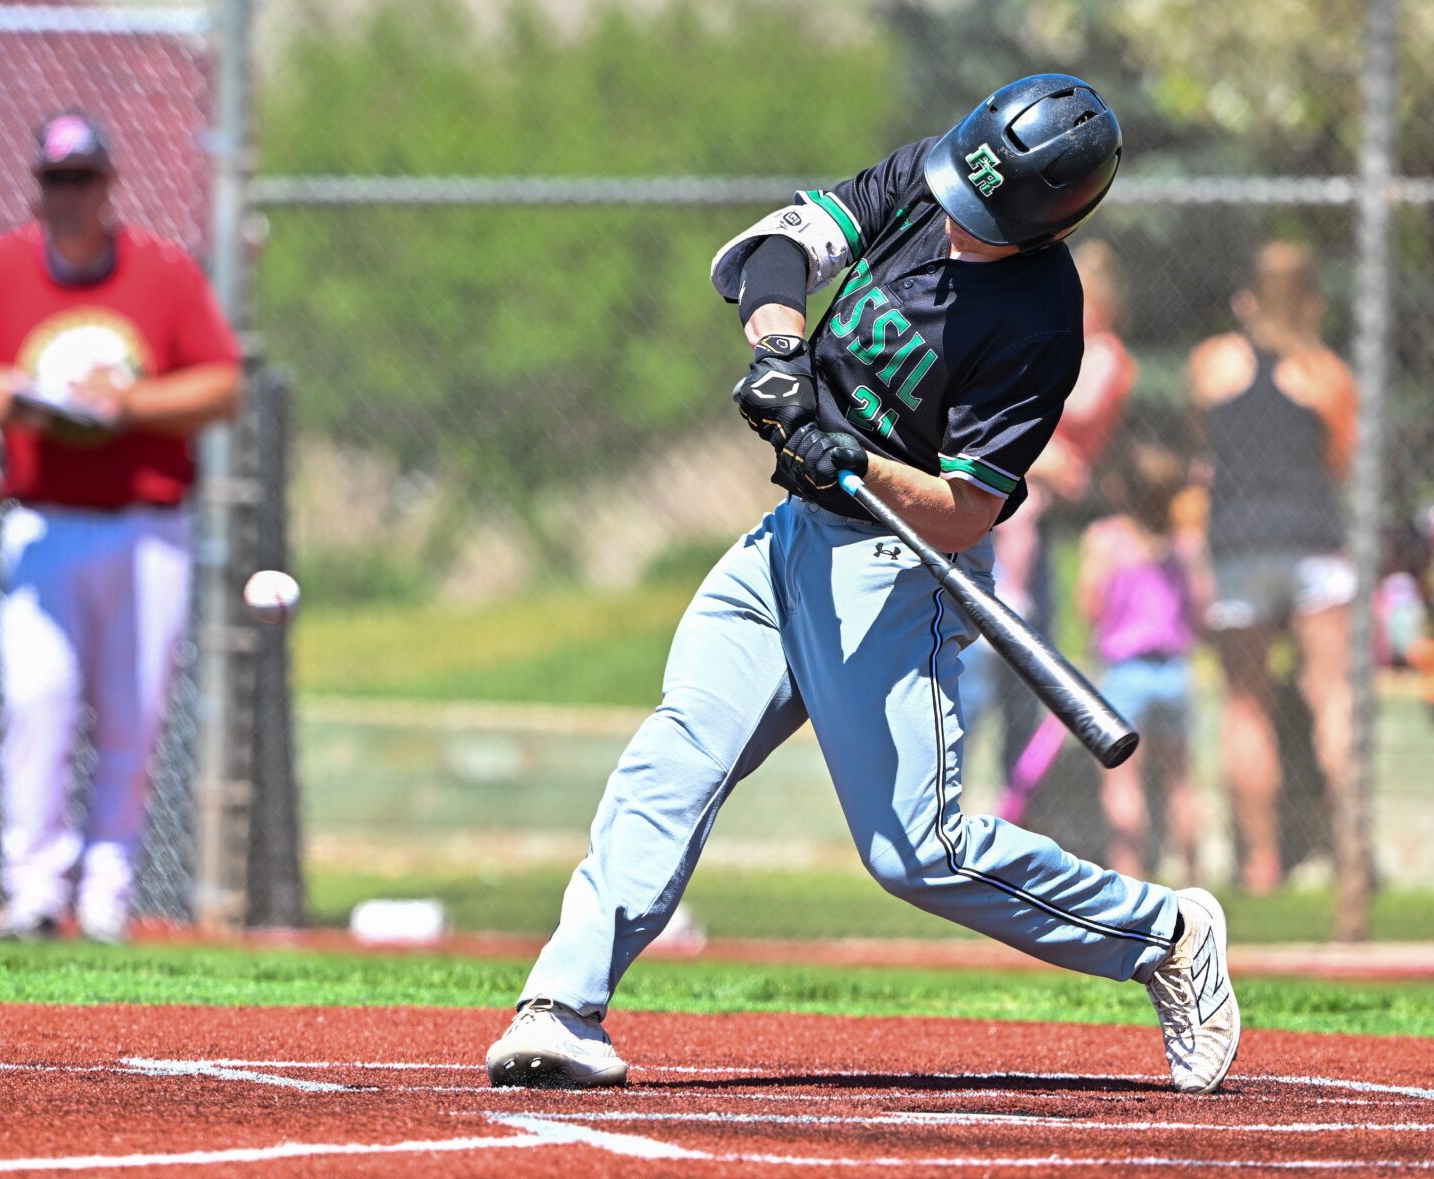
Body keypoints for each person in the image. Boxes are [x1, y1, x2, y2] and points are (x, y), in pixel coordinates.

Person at [485, 75, 1238, 1094]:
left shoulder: (1038, 323)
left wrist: (848, 458)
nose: (956, 226)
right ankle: (561, 1006)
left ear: (1046, 219)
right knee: (672, 762)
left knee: (916, 854)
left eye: (987, 220)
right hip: (788, 542)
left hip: (895, 567)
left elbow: (968, 509)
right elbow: (774, 254)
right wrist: (784, 355)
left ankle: (1162, 932)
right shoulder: (933, 174)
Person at [0, 112, 242, 943]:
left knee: (132, 715)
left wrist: (126, 402)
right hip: (44, 520)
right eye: (56, 181)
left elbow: (222, 386)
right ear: (39, 186)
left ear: (107, 185)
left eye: (83, 179)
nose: (69, 196)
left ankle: (105, 899)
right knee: (37, 705)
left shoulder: (160, 274)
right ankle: (32, 892)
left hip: (148, 523)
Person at [1189, 242, 1357, 894]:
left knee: (1246, 703)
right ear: (1311, 298)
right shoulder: (1327, 373)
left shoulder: (1212, 364)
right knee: (1333, 695)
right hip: (1314, 538)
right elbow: (1339, 462)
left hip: (1238, 541)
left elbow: (1207, 446)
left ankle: (1259, 864)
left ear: (1249, 294)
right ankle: (1349, 855)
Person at [962, 238, 1137, 795]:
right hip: (1004, 498)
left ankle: (1016, 797)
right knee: (981, 650)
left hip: (1028, 508)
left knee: (1019, 648)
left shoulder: (1102, 355)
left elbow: (1066, 418)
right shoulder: (1052, 340)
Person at [1076, 440, 1210, 881]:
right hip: (1174, 670)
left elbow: (1089, 604)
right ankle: (1193, 877)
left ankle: (1128, 875)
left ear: (1121, 490)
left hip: (1123, 672)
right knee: (1180, 781)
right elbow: (1202, 605)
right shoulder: (1183, 545)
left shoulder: (1106, 539)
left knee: (1122, 781)